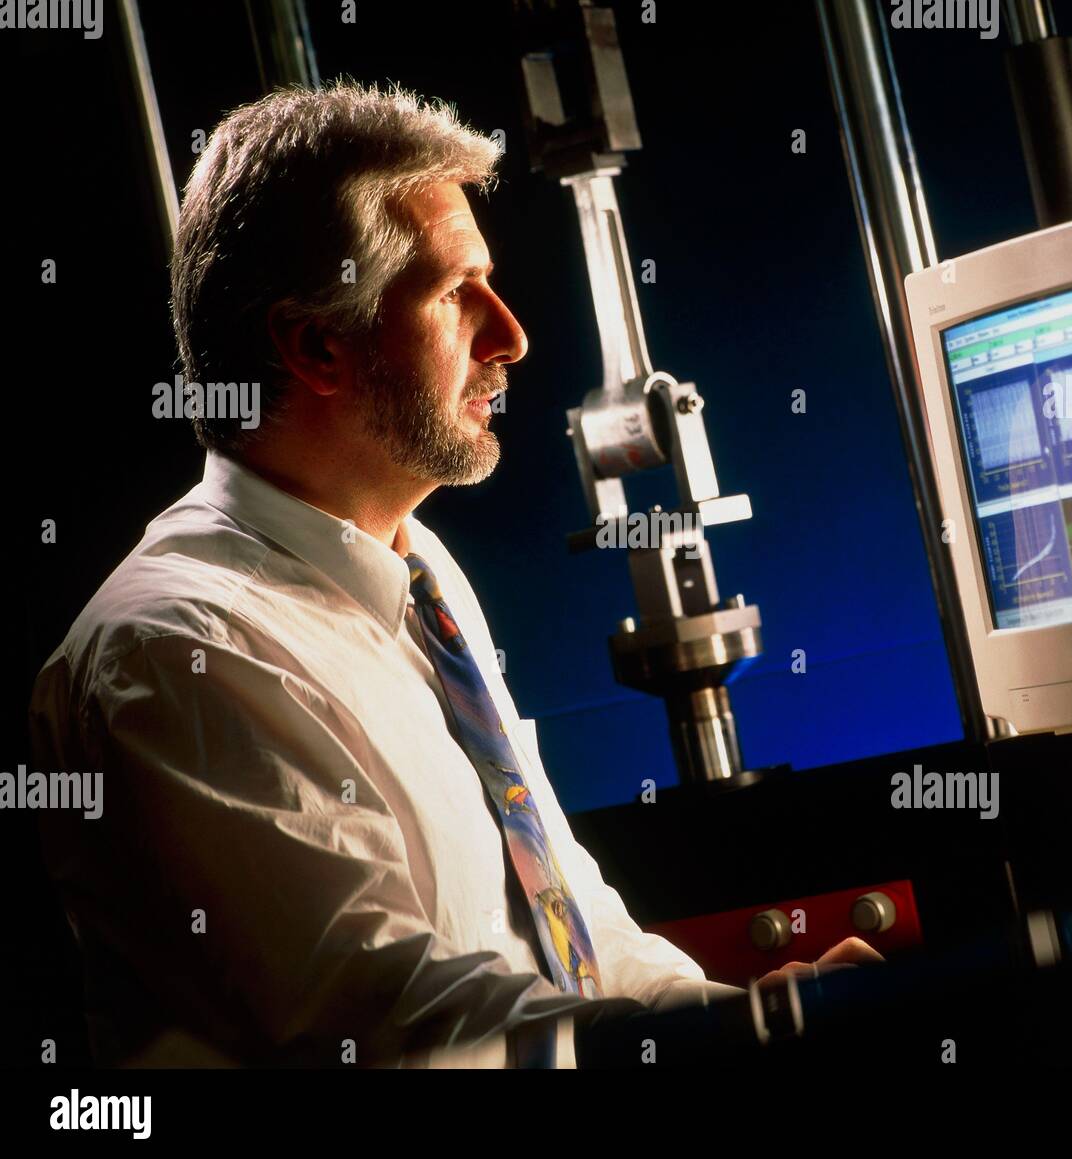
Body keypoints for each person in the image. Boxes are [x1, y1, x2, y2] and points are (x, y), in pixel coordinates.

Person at [28, 81, 880, 1069]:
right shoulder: (180, 653)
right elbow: (396, 1021)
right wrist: (738, 1042)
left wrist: (737, 1010)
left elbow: (573, 932)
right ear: (315, 346)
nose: (510, 333)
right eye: (452, 292)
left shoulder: (415, 566)